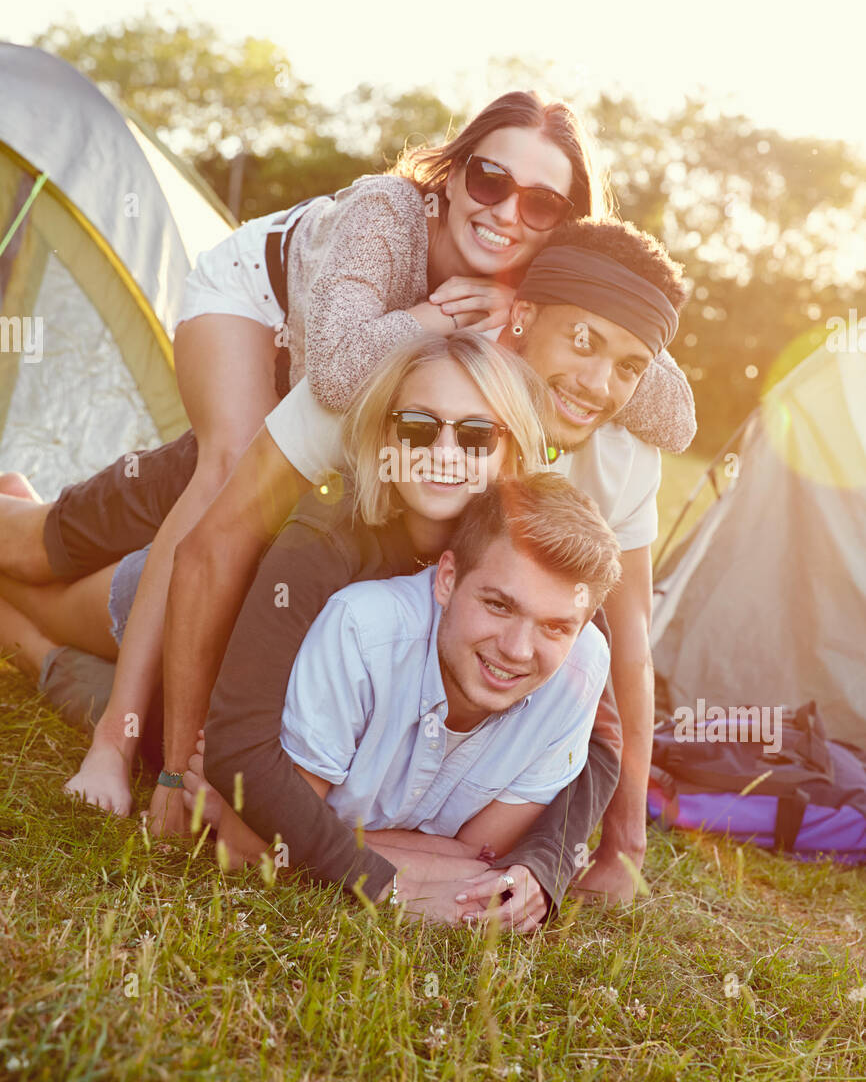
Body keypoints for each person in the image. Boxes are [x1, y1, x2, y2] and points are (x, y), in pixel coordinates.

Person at [0, 94, 695, 824]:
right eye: (490, 180)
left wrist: (597, 341)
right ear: (455, 172)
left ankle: (28, 521)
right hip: (265, 310)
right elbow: (335, 372)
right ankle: (113, 743)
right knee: (223, 474)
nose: (508, 212)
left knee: (260, 526)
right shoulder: (387, 214)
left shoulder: (546, 290)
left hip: (343, 406)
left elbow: (675, 414)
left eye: (543, 203)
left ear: (565, 223)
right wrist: (431, 319)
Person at [0, 334, 623, 928]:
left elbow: (598, 734)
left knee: (32, 630)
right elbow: (240, 745)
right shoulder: (329, 533)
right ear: (385, 436)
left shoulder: (523, 559)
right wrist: (176, 775)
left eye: (477, 435)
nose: (443, 453)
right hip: (183, 616)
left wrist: (542, 866)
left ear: (511, 452)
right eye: (416, 427)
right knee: (25, 576)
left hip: (268, 692)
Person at [197, 473, 621, 933]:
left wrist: (304, 833)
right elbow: (247, 850)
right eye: (499, 605)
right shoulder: (362, 632)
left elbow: (480, 859)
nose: (517, 650)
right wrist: (400, 887)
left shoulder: (581, 667)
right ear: (447, 579)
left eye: (555, 627)